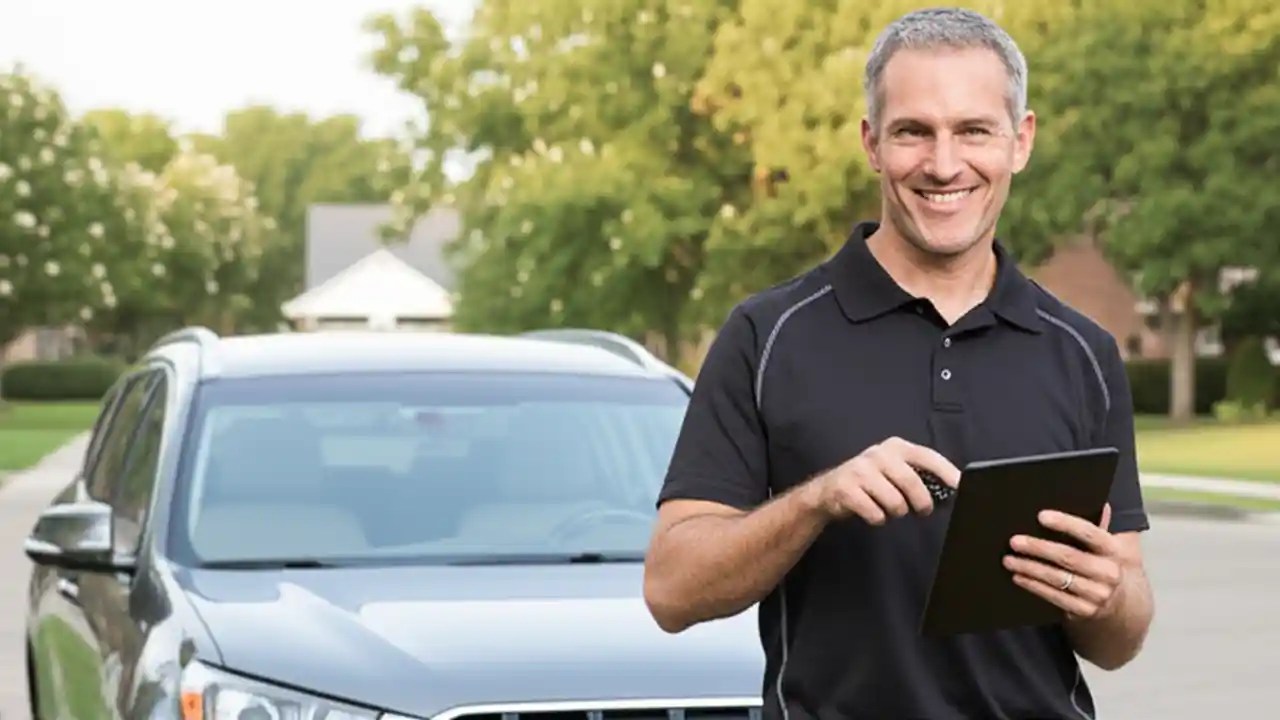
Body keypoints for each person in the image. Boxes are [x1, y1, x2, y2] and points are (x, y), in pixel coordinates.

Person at [643, 7, 1155, 719]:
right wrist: (817, 500)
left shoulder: (1085, 352)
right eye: (914, 131)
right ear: (872, 143)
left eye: (973, 130)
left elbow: (1119, 636)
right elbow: (672, 591)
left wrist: (1109, 595)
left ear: (1020, 141)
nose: (944, 165)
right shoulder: (766, 336)